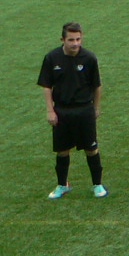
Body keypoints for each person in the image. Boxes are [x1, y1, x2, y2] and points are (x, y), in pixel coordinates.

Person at [39, 21, 106, 198]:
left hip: (84, 110)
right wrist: (50, 110)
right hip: (62, 110)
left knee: (91, 148)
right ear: (63, 39)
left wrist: (96, 108)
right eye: (71, 40)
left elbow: (97, 86)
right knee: (62, 150)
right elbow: (46, 85)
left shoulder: (89, 58)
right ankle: (62, 185)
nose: (75, 43)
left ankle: (97, 185)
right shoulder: (52, 58)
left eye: (78, 39)